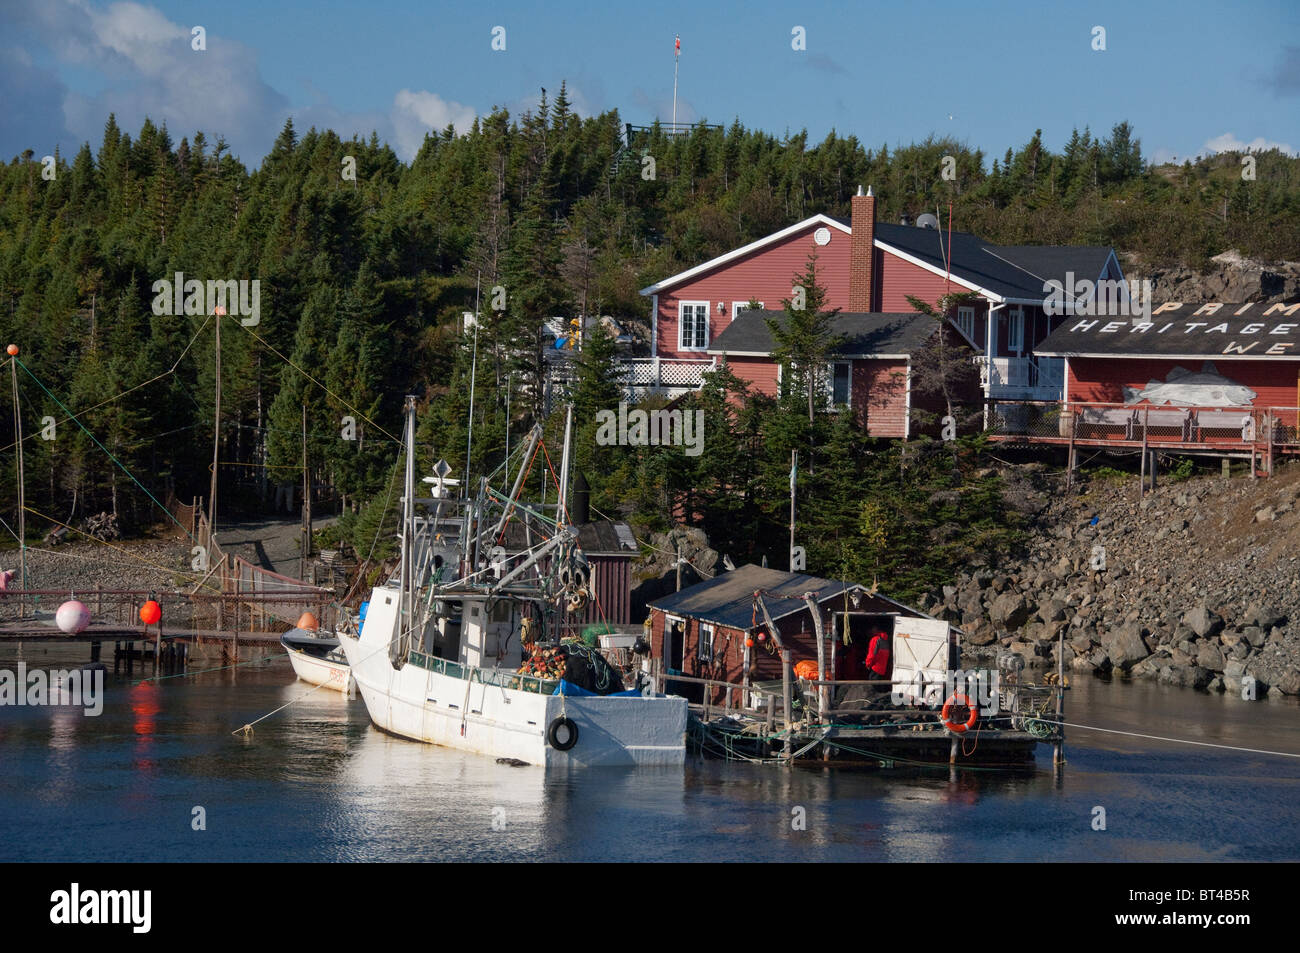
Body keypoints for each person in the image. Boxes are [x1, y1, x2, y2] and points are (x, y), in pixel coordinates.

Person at [864, 628, 892, 701]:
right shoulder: (886, 640)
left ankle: (873, 702)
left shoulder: (875, 639)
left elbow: (872, 654)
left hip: (875, 667)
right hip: (883, 668)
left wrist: (868, 664)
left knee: (873, 686)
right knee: (880, 685)